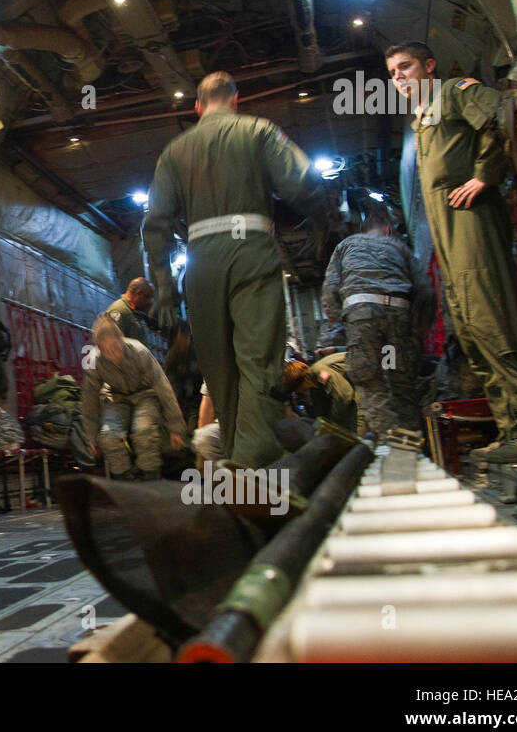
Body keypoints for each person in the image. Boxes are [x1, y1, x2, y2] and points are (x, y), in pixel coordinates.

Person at [142, 71, 326, 468]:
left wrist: (163, 288)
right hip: (251, 254)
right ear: (235, 100)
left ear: (197, 106)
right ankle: (253, 458)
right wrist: (328, 224)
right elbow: (302, 183)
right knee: (258, 357)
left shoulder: (173, 151)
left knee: (217, 364)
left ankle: (240, 455)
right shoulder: (259, 131)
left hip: (201, 262)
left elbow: (155, 222)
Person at [385, 41, 517, 465]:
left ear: (429, 65)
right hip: (448, 235)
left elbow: (501, 116)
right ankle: (510, 427)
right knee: (471, 328)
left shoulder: (455, 92)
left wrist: (483, 176)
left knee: (494, 320)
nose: (399, 77)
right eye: (392, 73)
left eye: (406, 67)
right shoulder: (420, 121)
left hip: (472, 221)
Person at [320, 203, 428, 435]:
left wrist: (345, 321)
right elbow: (425, 291)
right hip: (397, 316)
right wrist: (417, 328)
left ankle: (391, 449)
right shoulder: (399, 247)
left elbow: (330, 292)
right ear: (388, 229)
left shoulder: (345, 246)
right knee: (399, 382)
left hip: (362, 316)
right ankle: (413, 444)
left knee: (371, 383)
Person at [81, 315, 186, 480]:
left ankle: (151, 478)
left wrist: (176, 428)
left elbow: (163, 388)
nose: (112, 355)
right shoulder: (94, 360)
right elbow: (89, 399)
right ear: (99, 348)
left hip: (145, 395)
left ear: (121, 339)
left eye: (115, 348)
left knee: (143, 431)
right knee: (108, 437)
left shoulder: (139, 351)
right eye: (106, 351)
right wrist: (92, 437)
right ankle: (124, 480)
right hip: (115, 398)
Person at [103, 277, 157, 346]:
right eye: (147, 297)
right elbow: (110, 342)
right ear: (138, 293)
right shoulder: (118, 310)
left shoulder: (133, 312)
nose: (149, 302)